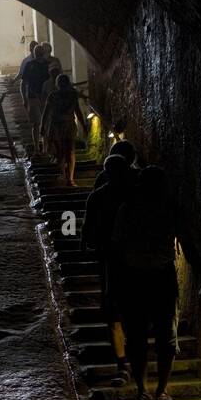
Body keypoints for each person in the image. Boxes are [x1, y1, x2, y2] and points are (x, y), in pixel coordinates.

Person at [111, 164, 180, 400]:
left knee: (156, 337)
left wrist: (113, 286)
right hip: (141, 276)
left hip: (153, 275)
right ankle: (150, 391)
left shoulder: (161, 209)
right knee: (147, 337)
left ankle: (154, 391)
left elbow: (116, 250)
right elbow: (117, 250)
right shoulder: (129, 210)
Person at [82, 155, 132, 385]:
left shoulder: (99, 196)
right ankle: (125, 362)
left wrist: (87, 247)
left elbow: (86, 228)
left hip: (111, 261)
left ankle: (122, 363)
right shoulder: (137, 196)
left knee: (114, 313)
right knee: (121, 311)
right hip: (128, 261)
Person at [40, 72, 87, 185]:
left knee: (60, 152)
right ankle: (69, 178)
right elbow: (78, 112)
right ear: (68, 83)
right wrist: (84, 126)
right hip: (68, 125)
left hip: (57, 126)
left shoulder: (53, 95)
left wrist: (43, 126)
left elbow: (46, 113)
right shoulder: (72, 95)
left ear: (57, 84)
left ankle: (65, 176)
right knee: (70, 151)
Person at [21, 46, 50, 151]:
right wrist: (24, 97)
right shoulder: (30, 65)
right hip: (34, 96)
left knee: (43, 123)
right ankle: (38, 147)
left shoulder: (47, 65)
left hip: (44, 97)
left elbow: (23, 83)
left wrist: (24, 97)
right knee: (37, 123)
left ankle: (44, 148)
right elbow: (23, 83)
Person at [15, 39, 39, 108]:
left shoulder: (45, 62)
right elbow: (22, 77)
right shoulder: (27, 62)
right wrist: (24, 99)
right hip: (31, 92)